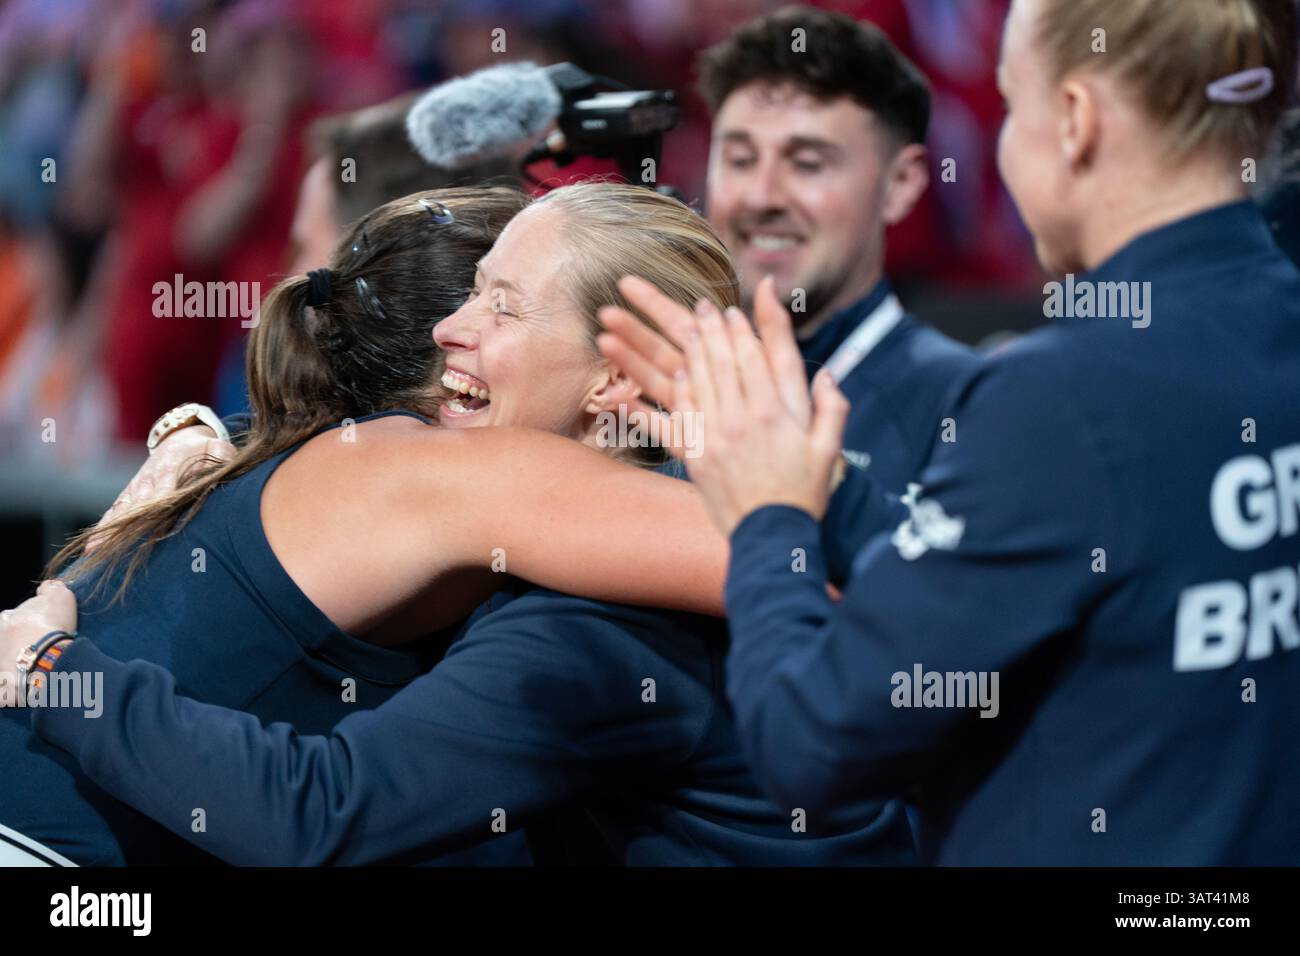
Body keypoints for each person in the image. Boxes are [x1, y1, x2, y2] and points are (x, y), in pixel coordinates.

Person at [0, 182, 914, 866]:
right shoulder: (506, 525)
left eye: (502, 304)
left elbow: (320, 814)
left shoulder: (587, 602)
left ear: (616, 374)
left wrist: (55, 671)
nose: (452, 330)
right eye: (470, 291)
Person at [597, 0, 1300, 865]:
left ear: (1073, 121)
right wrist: (814, 473)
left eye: (1012, 105)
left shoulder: (1058, 398)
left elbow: (811, 745)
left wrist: (767, 516)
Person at [698, 6, 979, 491]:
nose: (762, 196)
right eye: (739, 159)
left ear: (901, 184)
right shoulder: (654, 392)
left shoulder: (967, 411)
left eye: (807, 164)